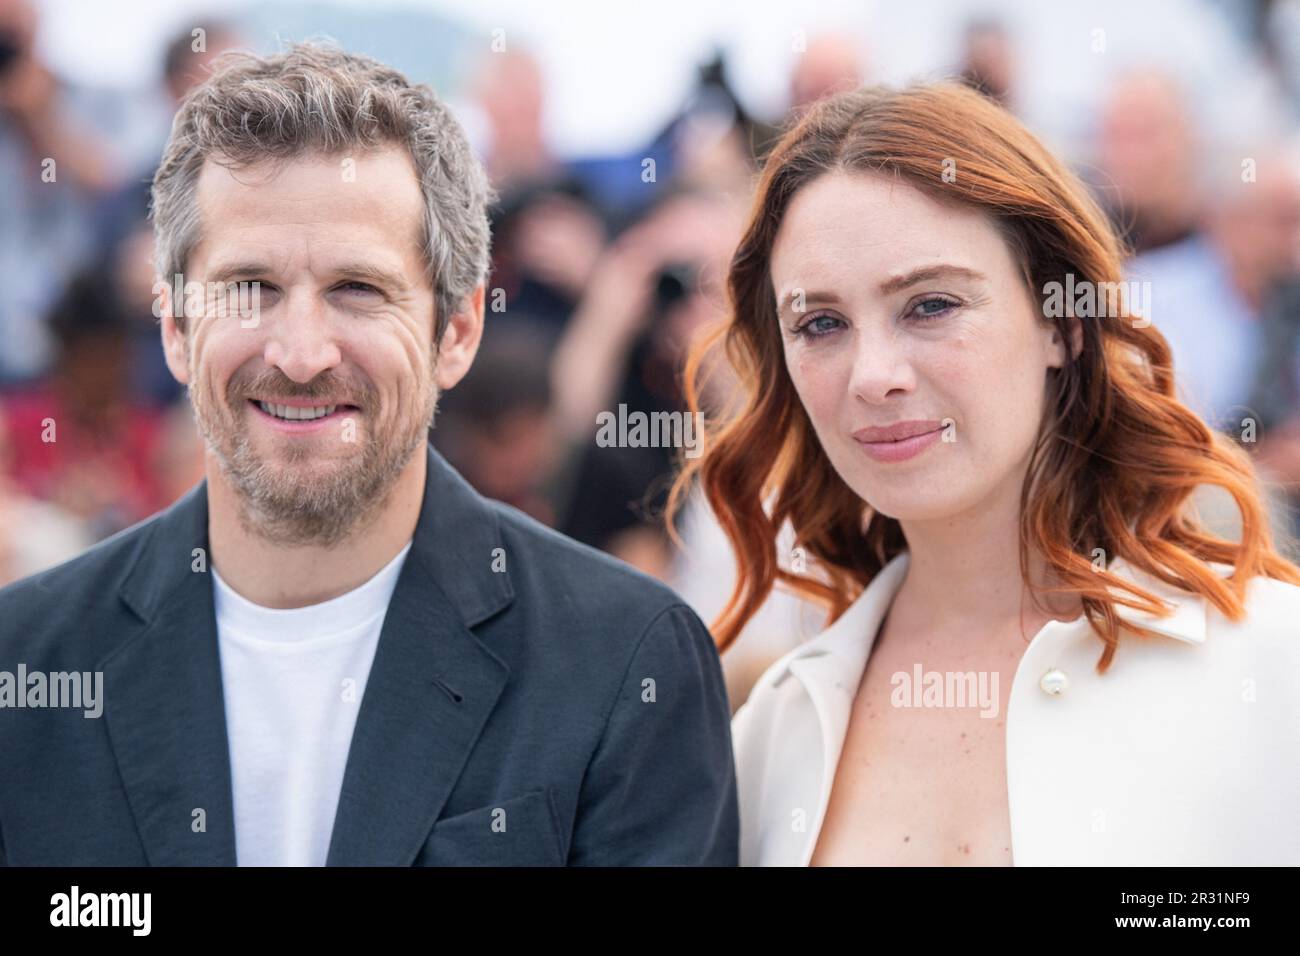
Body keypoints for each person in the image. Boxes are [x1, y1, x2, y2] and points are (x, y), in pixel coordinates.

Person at [0, 42, 737, 866]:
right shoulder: (26, 662)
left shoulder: (623, 664)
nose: (302, 352)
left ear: (455, 331)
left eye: (358, 289)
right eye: (250, 288)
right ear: (175, 329)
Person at [669, 82, 1300, 866]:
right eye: (821, 323)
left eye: (930, 305)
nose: (874, 375)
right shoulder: (772, 733)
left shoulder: (1272, 665)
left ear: (1062, 324)